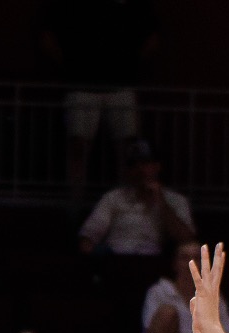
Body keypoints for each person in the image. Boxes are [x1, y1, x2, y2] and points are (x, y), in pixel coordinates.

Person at [41, 0, 159, 191]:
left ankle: (125, 207)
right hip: (82, 85)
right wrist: (71, 67)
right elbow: (47, 34)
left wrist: (130, 65)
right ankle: (76, 205)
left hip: (120, 85)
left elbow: (152, 36)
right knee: (78, 147)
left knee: (128, 151)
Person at [77, 141, 193, 256]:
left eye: (145, 163)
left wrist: (160, 201)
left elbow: (186, 239)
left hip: (152, 262)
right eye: (133, 164)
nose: (139, 169)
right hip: (115, 260)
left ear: (157, 166)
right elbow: (88, 235)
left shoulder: (176, 200)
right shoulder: (113, 198)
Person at [140, 241, 229, 333]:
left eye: (197, 258)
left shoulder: (212, 294)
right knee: (167, 313)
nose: (191, 263)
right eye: (184, 258)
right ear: (175, 263)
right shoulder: (159, 291)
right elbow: (151, 331)